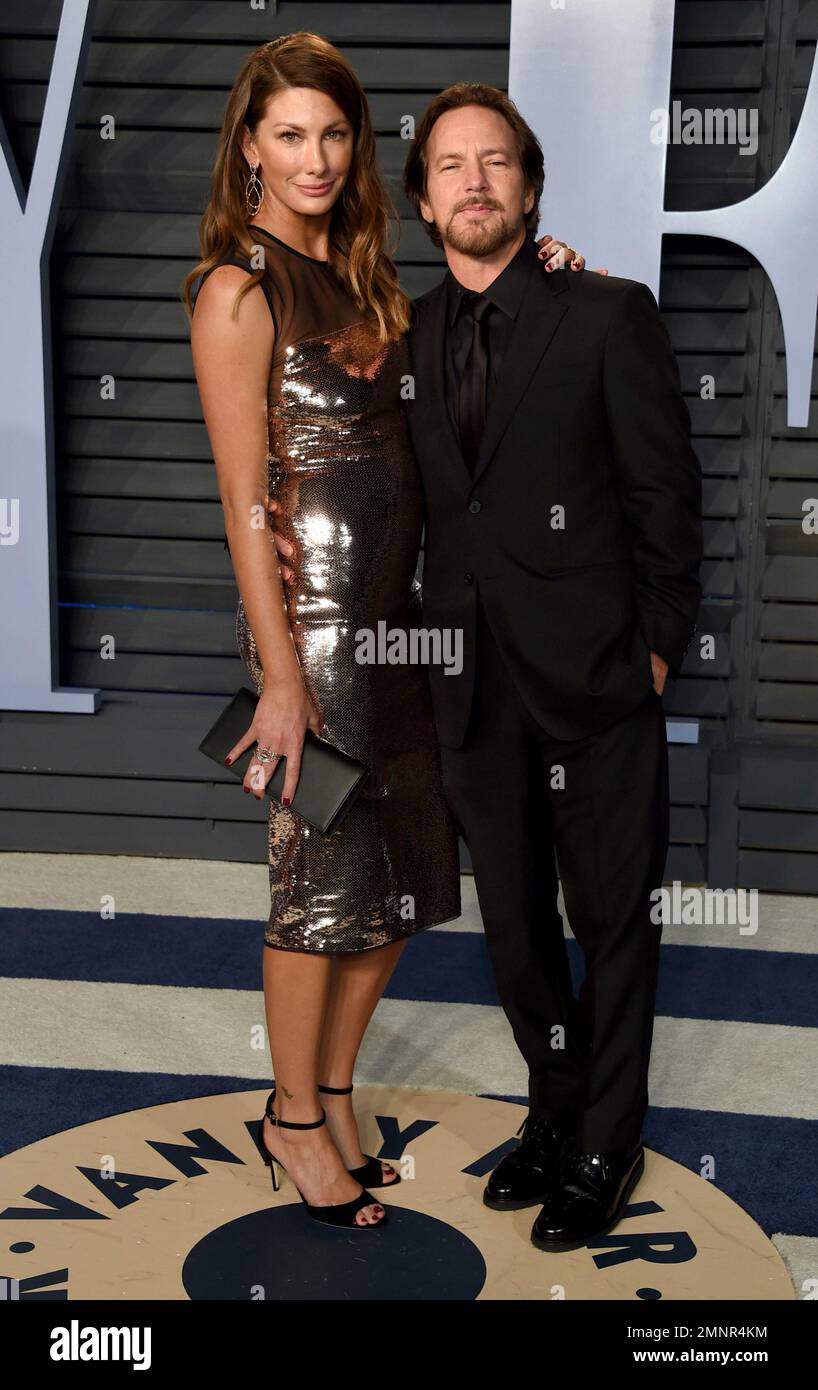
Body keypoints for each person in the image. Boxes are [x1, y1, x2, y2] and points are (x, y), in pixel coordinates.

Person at [184, 34, 589, 1232]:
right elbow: (241, 501)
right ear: (249, 148)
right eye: (289, 134)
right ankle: (292, 1118)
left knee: (403, 889)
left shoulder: (368, 283)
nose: (315, 157)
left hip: (400, 636)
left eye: (333, 133)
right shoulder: (235, 289)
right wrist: (277, 679)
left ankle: (332, 1090)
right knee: (316, 892)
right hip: (312, 645)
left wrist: (548, 266)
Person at [400, 83, 703, 1252]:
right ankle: (554, 1103)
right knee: (516, 929)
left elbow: (664, 504)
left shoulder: (605, 314)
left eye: (494, 161)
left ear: (526, 187)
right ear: (423, 201)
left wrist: (656, 652)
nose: (473, 179)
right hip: (470, 689)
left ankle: (604, 1145)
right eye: (448, 166)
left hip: (598, 681)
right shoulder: (412, 338)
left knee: (611, 921)